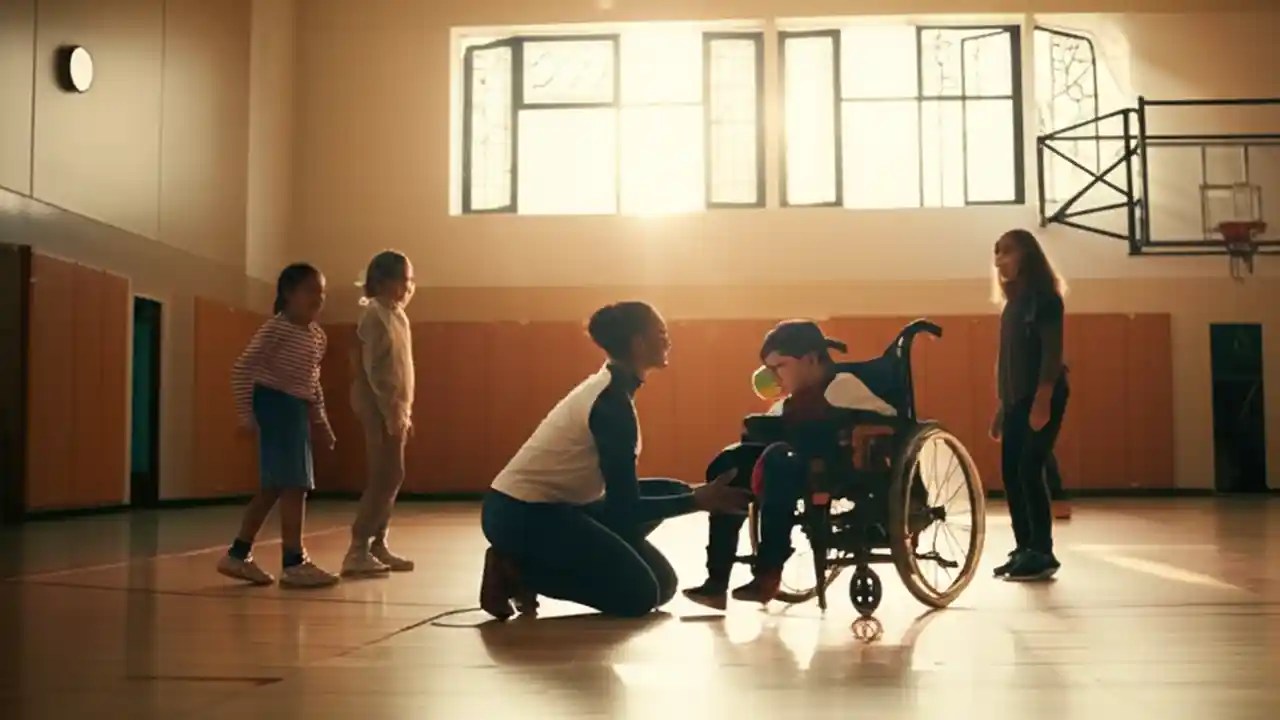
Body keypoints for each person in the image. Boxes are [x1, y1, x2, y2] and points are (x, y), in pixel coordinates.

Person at [478, 301, 751, 619]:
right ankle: (515, 571)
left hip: (564, 507)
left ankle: (581, 554)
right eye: (660, 333)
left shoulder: (614, 389)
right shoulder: (610, 404)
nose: (668, 340)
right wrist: (697, 501)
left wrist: (692, 497)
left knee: (663, 584)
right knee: (638, 595)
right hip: (521, 515)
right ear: (638, 343)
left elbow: (624, 503)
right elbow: (624, 508)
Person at [683, 320, 898, 609]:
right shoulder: (790, 401)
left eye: (779, 367)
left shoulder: (842, 386)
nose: (772, 376)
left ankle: (768, 571)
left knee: (777, 461)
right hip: (791, 465)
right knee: (730, 466)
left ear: (810, 359)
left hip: (835, 468)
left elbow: (887, 421)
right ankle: (717, 579)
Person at [218, 263, 340, 588]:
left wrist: (322, 422)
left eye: (322, 292)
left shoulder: (317, 337)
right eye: (311, 290)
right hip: (274, 404)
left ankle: (237, 553)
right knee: (295, 485)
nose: (318, 298)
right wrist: (246, 414)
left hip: (295, 409)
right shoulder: (277, 328)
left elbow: (312, 385)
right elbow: (243, 368)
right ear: (288, 294)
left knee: (275, 487)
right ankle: (294, 561)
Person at [990, 229, 1071, 582]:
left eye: (1006, 252)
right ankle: (1024, 547)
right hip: (1015, 401)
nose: (999, 260)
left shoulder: (1045, 300)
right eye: (996, 254)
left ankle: (1042, 551)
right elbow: (1008, 361)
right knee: (1011, 473)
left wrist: (1043, 397)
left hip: (1041, 395)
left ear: (1026, 255)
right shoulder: (1012, 305)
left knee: (1029, 468)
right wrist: (1002, 406)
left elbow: (1051, 353)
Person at [343, 250, 417, 577]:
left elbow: (401, 369)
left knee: (394, 475)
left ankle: (378, 543)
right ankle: (357, 548)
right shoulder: (373, 314)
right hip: (376, 404)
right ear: (384, 281)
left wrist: (403, 410)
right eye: (403, 279)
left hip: (395, 406)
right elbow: (373, 369)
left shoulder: (397, 314)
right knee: (383, 475)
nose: (408, 287)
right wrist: (388, 410)